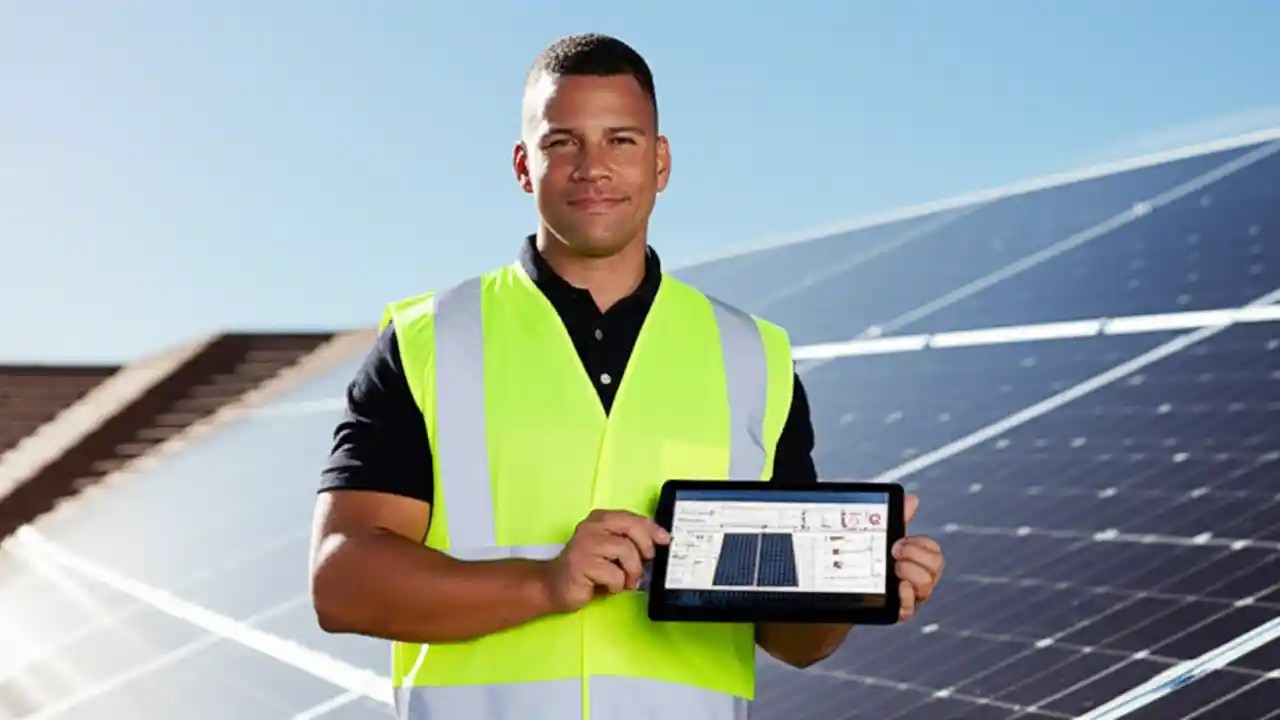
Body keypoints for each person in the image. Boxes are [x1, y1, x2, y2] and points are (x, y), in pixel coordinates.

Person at [309, 32, 945, 720]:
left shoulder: (753, 357)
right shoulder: (428, 340)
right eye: (563, 143)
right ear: (525, 166)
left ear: (661, 161)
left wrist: (857, 587)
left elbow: (793, 639)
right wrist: (544, 584)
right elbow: (341, 583)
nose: (593, 167)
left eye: (621, 140)